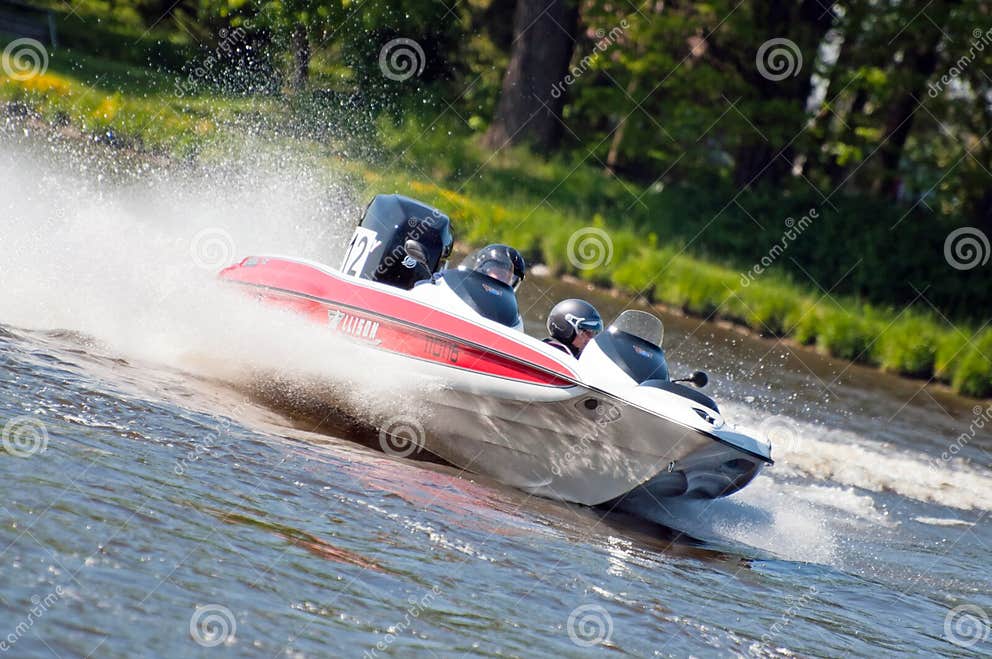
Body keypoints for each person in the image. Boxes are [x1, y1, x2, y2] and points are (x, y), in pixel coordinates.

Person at [459, 244, 526, 291]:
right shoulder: (461, 291)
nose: (498, 278)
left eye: (508, 278)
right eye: (498, 273)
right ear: (481, 270)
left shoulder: (507, 309)